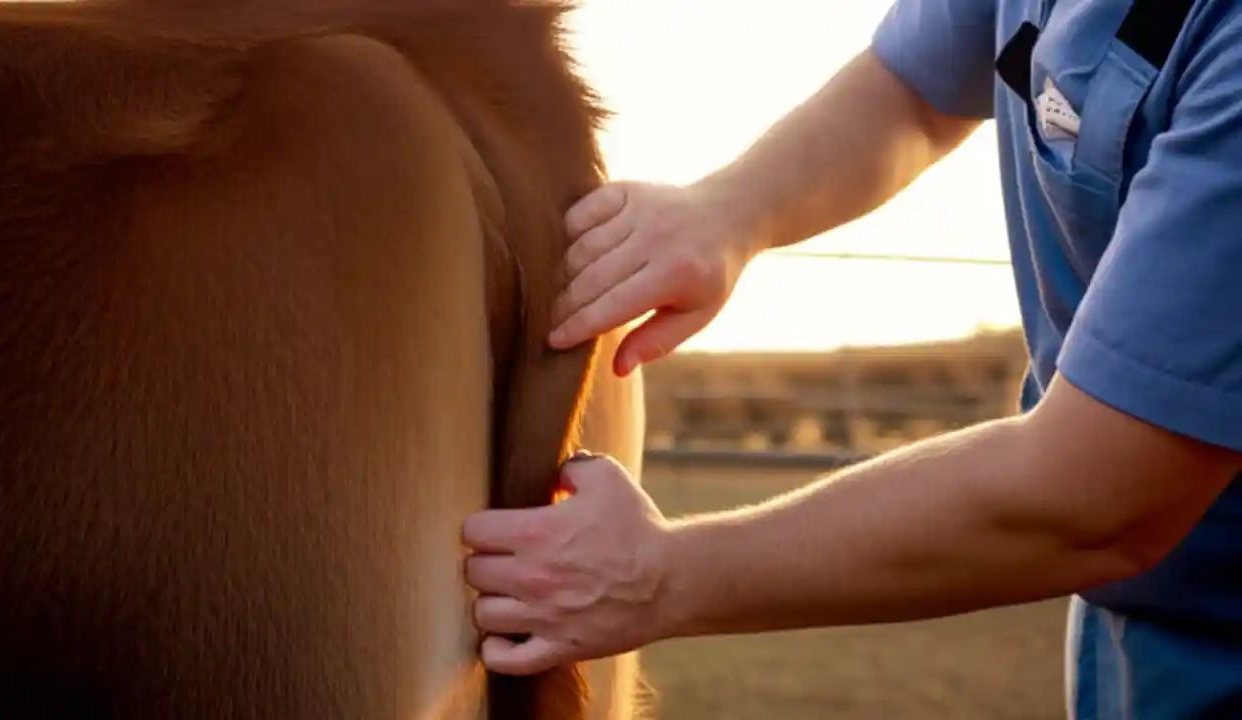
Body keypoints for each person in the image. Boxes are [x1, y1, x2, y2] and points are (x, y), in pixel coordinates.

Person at [461, 0, 1242, 716]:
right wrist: (732, 211)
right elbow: (913, 91)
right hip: (1134, 623)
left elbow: (1098, 495)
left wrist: (664, 576)